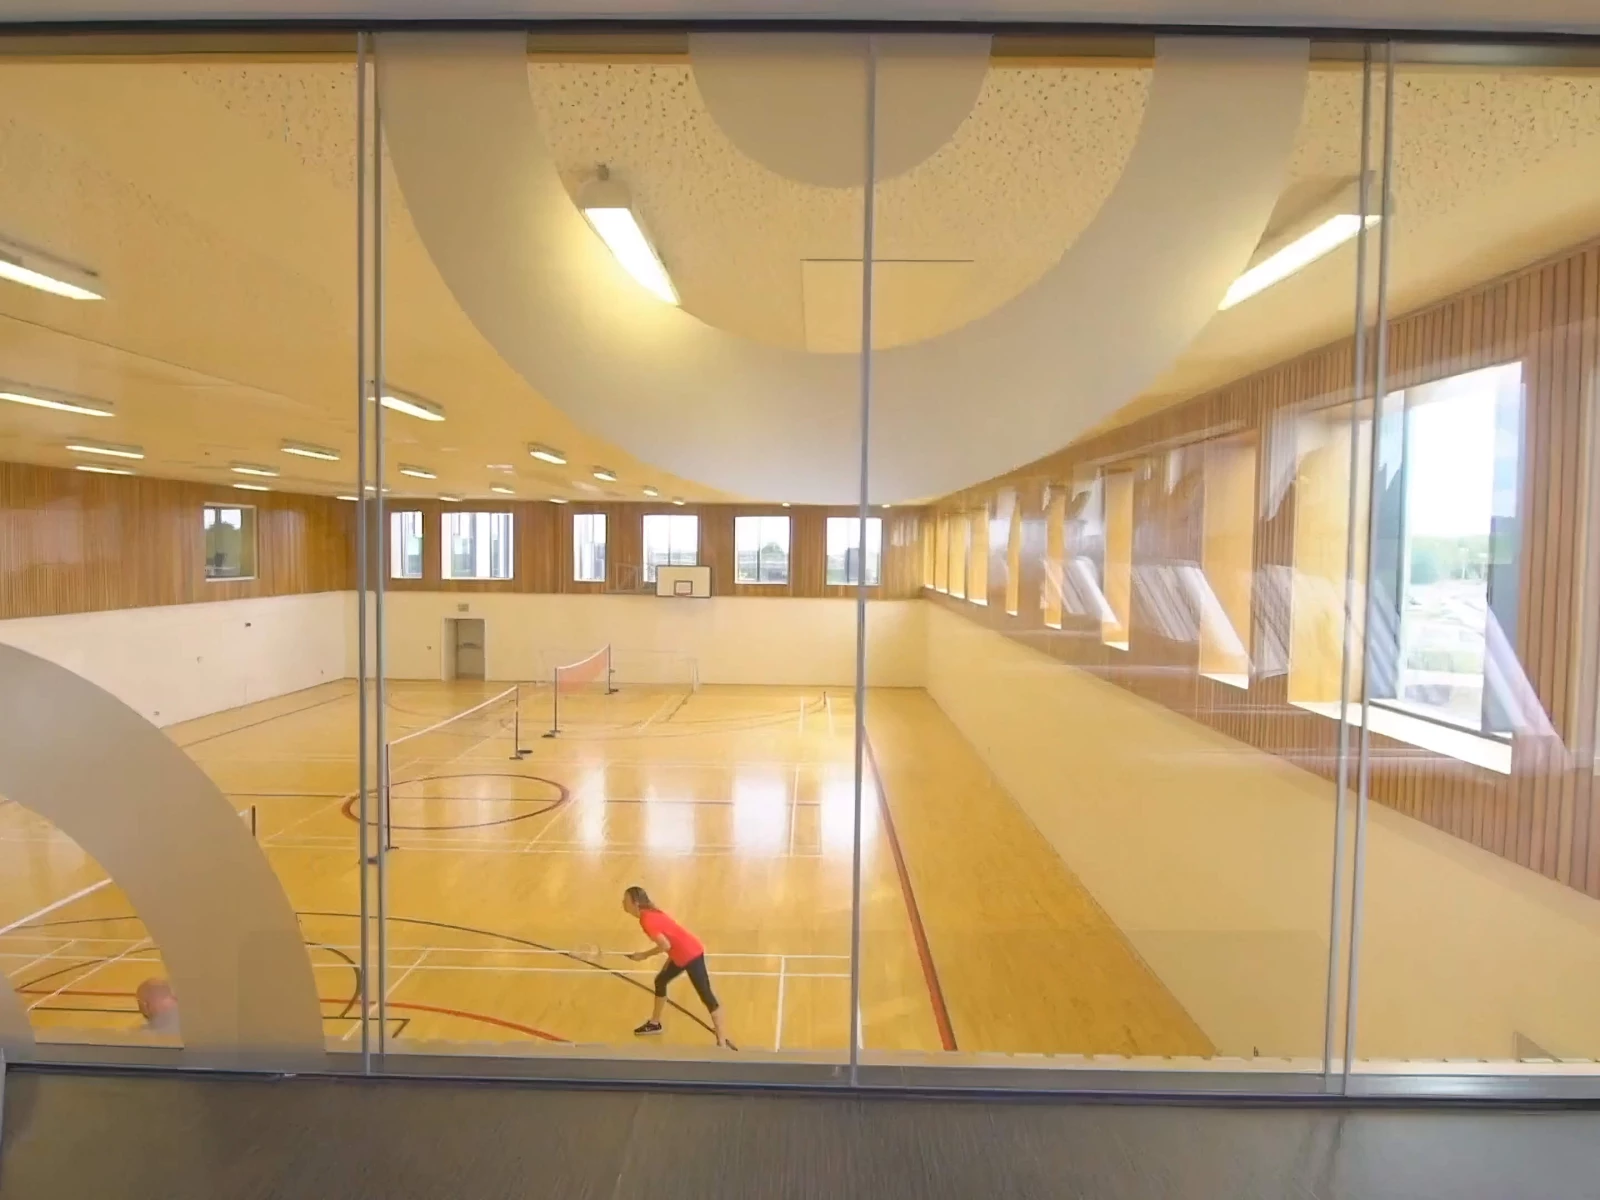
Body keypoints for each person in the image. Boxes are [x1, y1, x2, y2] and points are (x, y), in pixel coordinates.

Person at [622, 885, 735, 1049]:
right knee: (660, 981)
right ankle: (655, 1023)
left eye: (625, 901)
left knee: (706, 996)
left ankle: (722, 1041)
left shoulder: (647, 920)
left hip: (691, 955)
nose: (622, 903)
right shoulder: (650, 913)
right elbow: (671, 937)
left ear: (635, 903)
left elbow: (665, 945)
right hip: (679, 954)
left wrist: (643, 955)